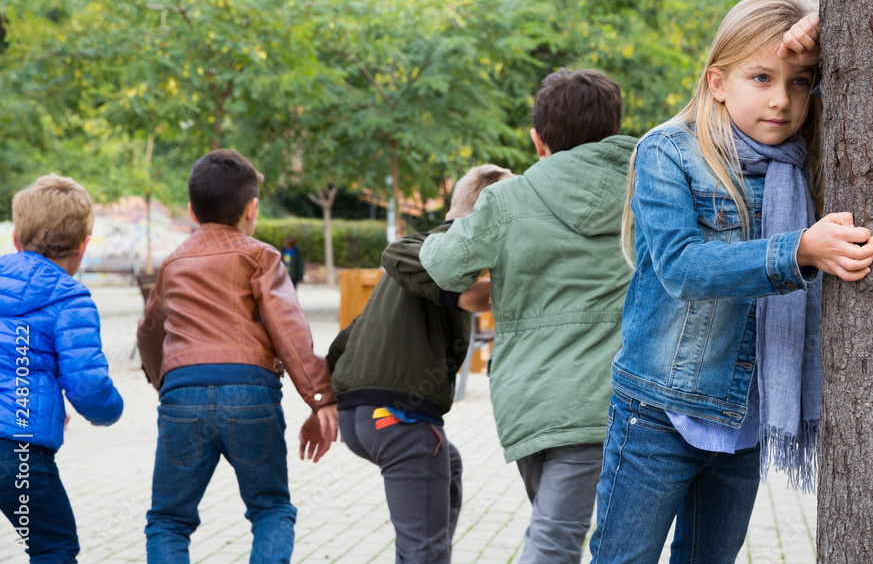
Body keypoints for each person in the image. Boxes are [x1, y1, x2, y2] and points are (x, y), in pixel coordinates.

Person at [588, 0, 873, 563]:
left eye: (801, 82)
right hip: (658, 413)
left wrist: (824, 18)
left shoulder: (808, 162)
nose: (782, 100)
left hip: (746, 418)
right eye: (761, 78)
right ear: (717, 83)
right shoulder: (669, 153)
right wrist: (795, 251)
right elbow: (682, 266)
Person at [418, 70, 638, 564]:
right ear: (615, 126)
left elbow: (444, 267)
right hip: (613, 396)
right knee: (565, 537)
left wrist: (448, 230)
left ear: (538, 140)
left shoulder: (507, 199)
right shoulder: (648, 190)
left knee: (553, 539)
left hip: (532, 397)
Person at [299, 164, 514, 564]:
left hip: (360, 415)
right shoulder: (443, 254)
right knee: (423, 550)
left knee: (447, 465)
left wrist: (324, 400)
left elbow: (354, 332)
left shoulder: (416, 258)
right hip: (399, 418)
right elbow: (476, 297)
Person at [137, 149, 338, 564]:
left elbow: (149, 329)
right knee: (270, 509)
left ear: (192, 210)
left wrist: (163, 382)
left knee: (169, 521)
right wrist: (319, 397)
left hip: (182, 396)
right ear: (252, 209)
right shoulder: (260, 256)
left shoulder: (173, 264)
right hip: (251, 394)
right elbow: (289, 331)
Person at [0, 174, 125, 563]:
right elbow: (87, 384)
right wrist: (109, 412)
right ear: (83, 246)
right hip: (18, 452)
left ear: (18, 239)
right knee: (53, 544)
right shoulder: (71, 299)